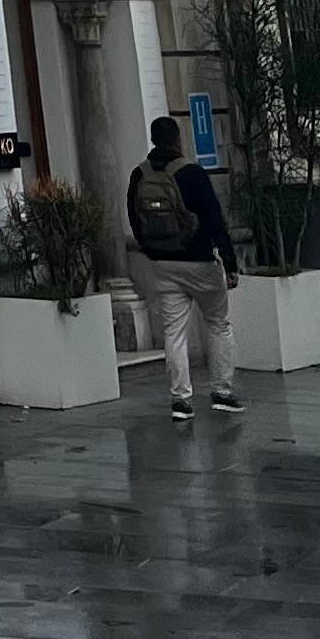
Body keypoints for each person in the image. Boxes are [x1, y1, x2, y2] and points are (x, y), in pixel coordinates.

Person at [125, 115, 243, 423]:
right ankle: (222, 392)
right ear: (177, 139)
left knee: (174, 332)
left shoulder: (139, 174)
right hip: (200, 261)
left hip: (163, 264)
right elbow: (215, 219)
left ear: (153, 140)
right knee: (218, 324)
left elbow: (134, 218)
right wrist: (230, 262)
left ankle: (180, 400)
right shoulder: (192, 172)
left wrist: (151, 250)